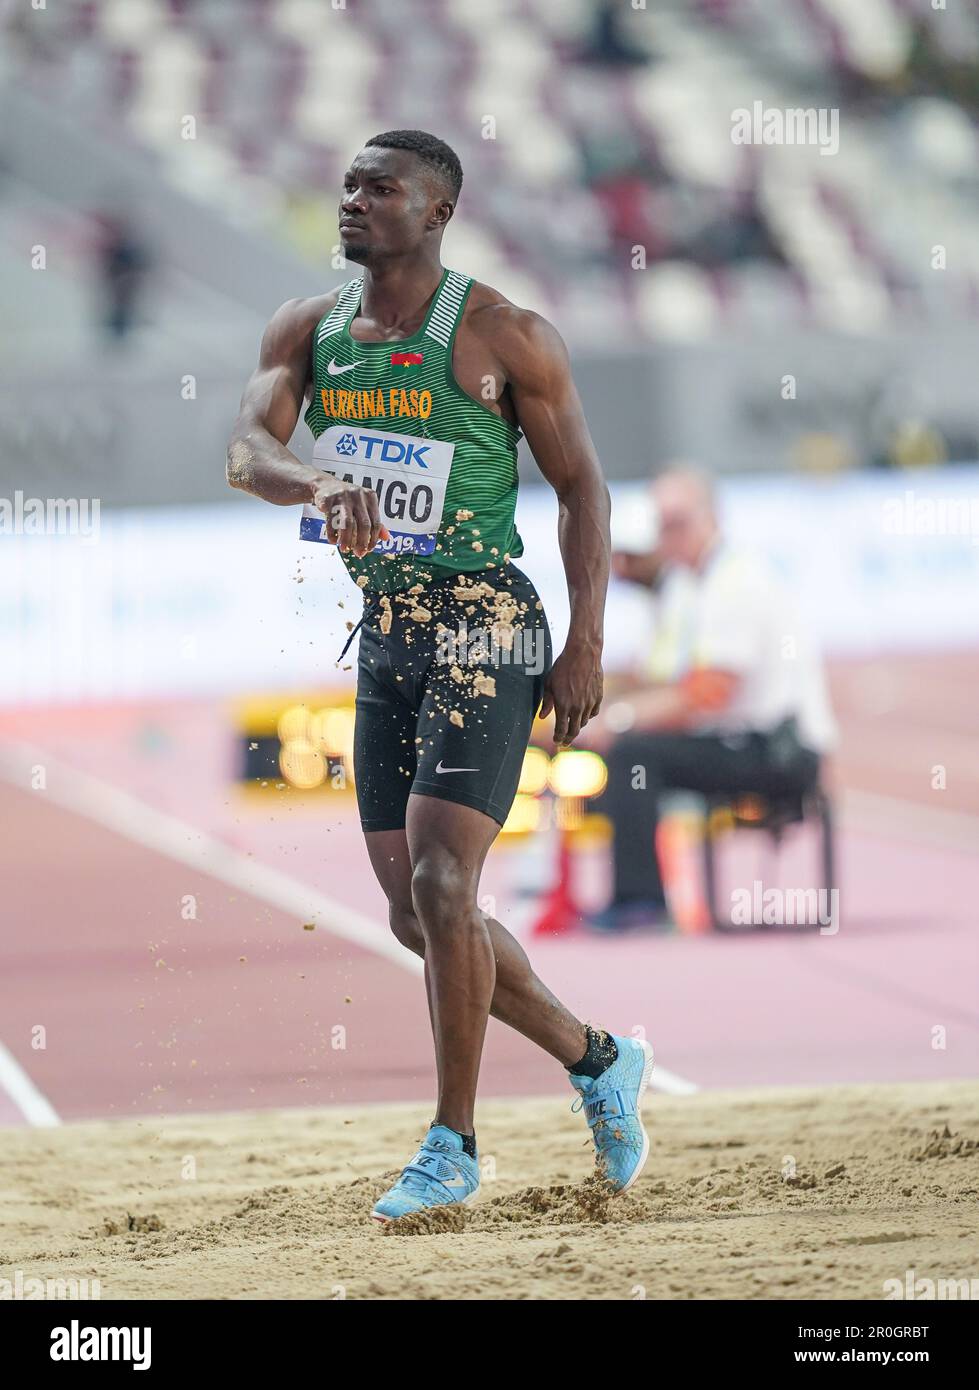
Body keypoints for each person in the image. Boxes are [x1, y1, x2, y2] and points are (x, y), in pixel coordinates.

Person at [226, 130, 655, 1221]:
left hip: (485, 623)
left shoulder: (504, 334)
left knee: (443, 887)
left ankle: (452, 1142)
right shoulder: (308, 331)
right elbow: (245, 453)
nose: (355, 201)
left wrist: (586, 642)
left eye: (383, 189)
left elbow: (583, 491)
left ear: (438, 213)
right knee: (417, 916)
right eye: (350, 186)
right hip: (388, 633)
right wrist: (316, 478)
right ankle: (597, 1057)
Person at [587, 468, 837, 930]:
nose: (667, 536)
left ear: (711, 518)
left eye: (677, 522)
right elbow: (661, 679)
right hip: (738, 738)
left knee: (632, 753)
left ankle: (639, 901)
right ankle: (630, 894)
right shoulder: (690, 585)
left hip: (779, 749)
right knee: (626, 748)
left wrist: (618, 720)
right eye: (661, 525)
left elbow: (708, 693)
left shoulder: (736, 582)